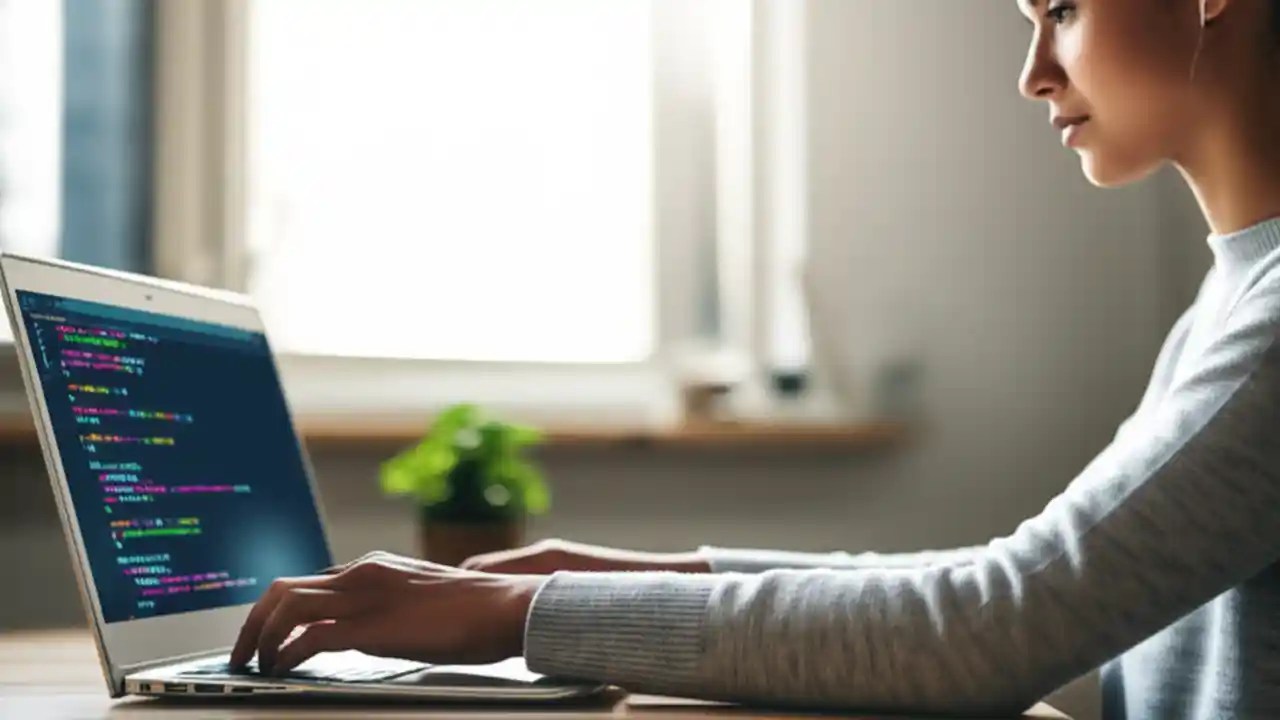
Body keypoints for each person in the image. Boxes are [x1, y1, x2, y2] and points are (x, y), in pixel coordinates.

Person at [231, 0, 1280, 717]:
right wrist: (628, 576)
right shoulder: (1230, 298)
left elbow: (990, 628)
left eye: (1062, 8)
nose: (1030, 72)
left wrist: (517, 615)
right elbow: (1023, 587)